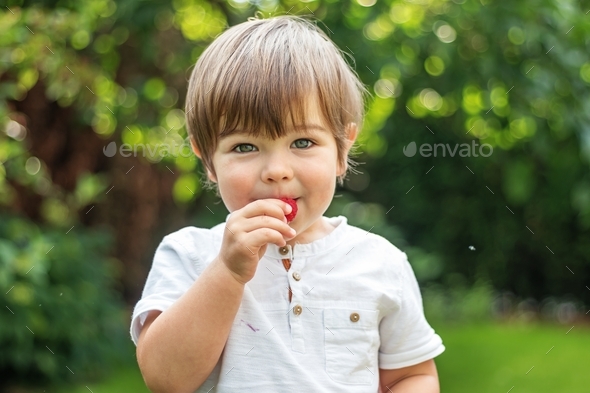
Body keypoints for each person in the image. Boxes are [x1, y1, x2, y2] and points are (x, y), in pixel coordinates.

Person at [130, 14, 445, 393]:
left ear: (342, 149)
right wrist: (228, 273)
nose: (277, 171)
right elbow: (166, 379)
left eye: (302, 143)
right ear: (208, 160)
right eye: (245, 147)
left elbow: (412, 375)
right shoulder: (189, 255)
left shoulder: (381, 264)